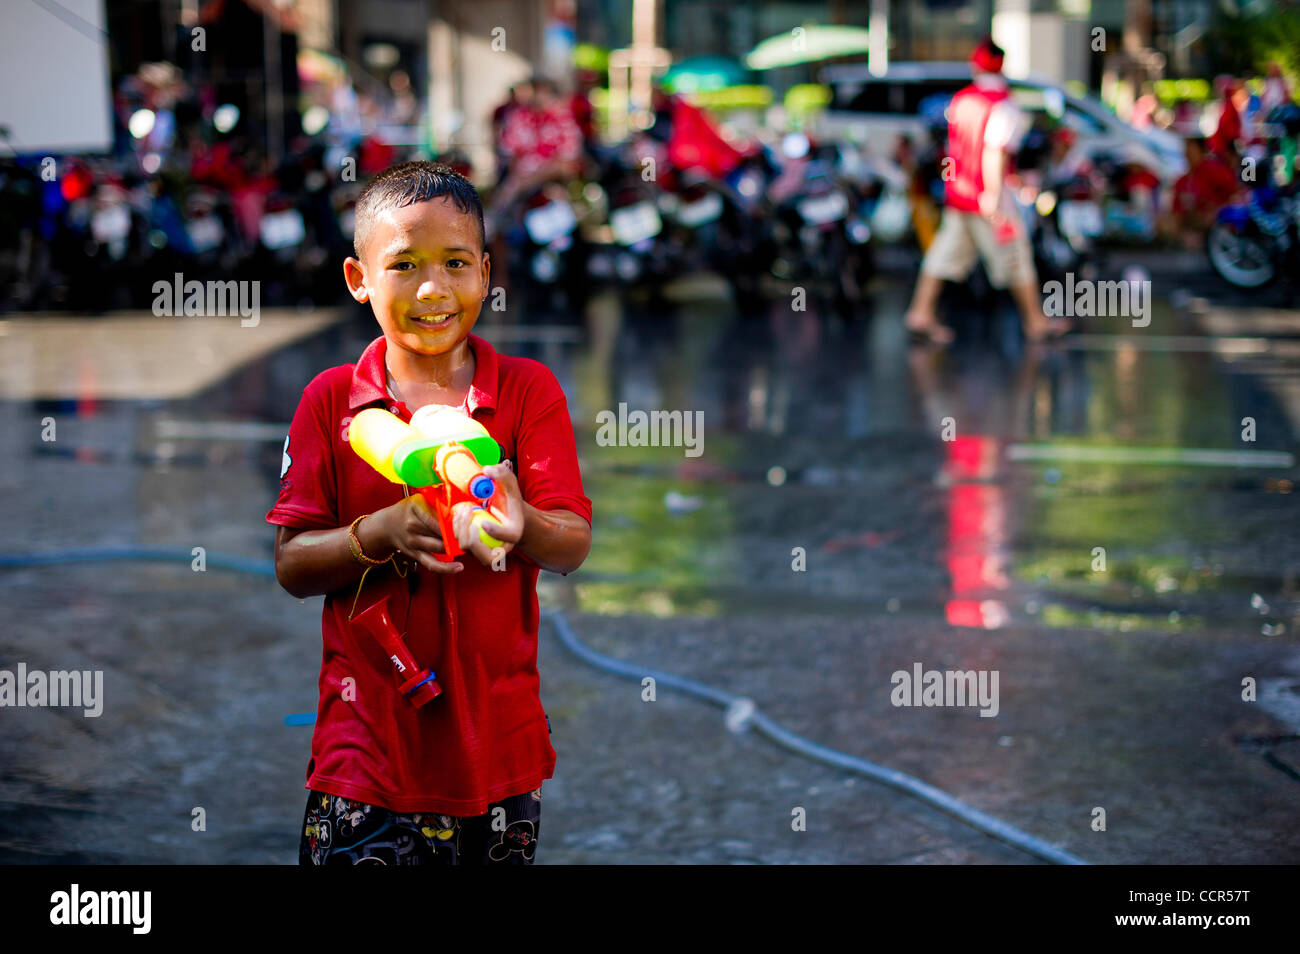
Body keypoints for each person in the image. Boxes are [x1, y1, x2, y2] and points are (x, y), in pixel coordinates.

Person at [267, 161, 593, 865]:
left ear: (485, 271)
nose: (432, 289)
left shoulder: (528, 393)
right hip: (366, 753)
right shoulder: (331, 402)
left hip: (496, 751)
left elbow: (570, 544)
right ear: (359, 280)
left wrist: (521, 522)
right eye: (405, 265)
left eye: (455, 263)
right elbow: (292, 565)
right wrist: (377, 534)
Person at [903, 38, 1066, 345]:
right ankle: (1035, 322)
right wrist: (992, 194)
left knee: (943, 255)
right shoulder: (1003, 105)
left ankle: (921, 312)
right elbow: (994, 151)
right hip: (988, 197)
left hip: (959, 194)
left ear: (974, 65)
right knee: (1016, 255)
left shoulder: (961, 101)